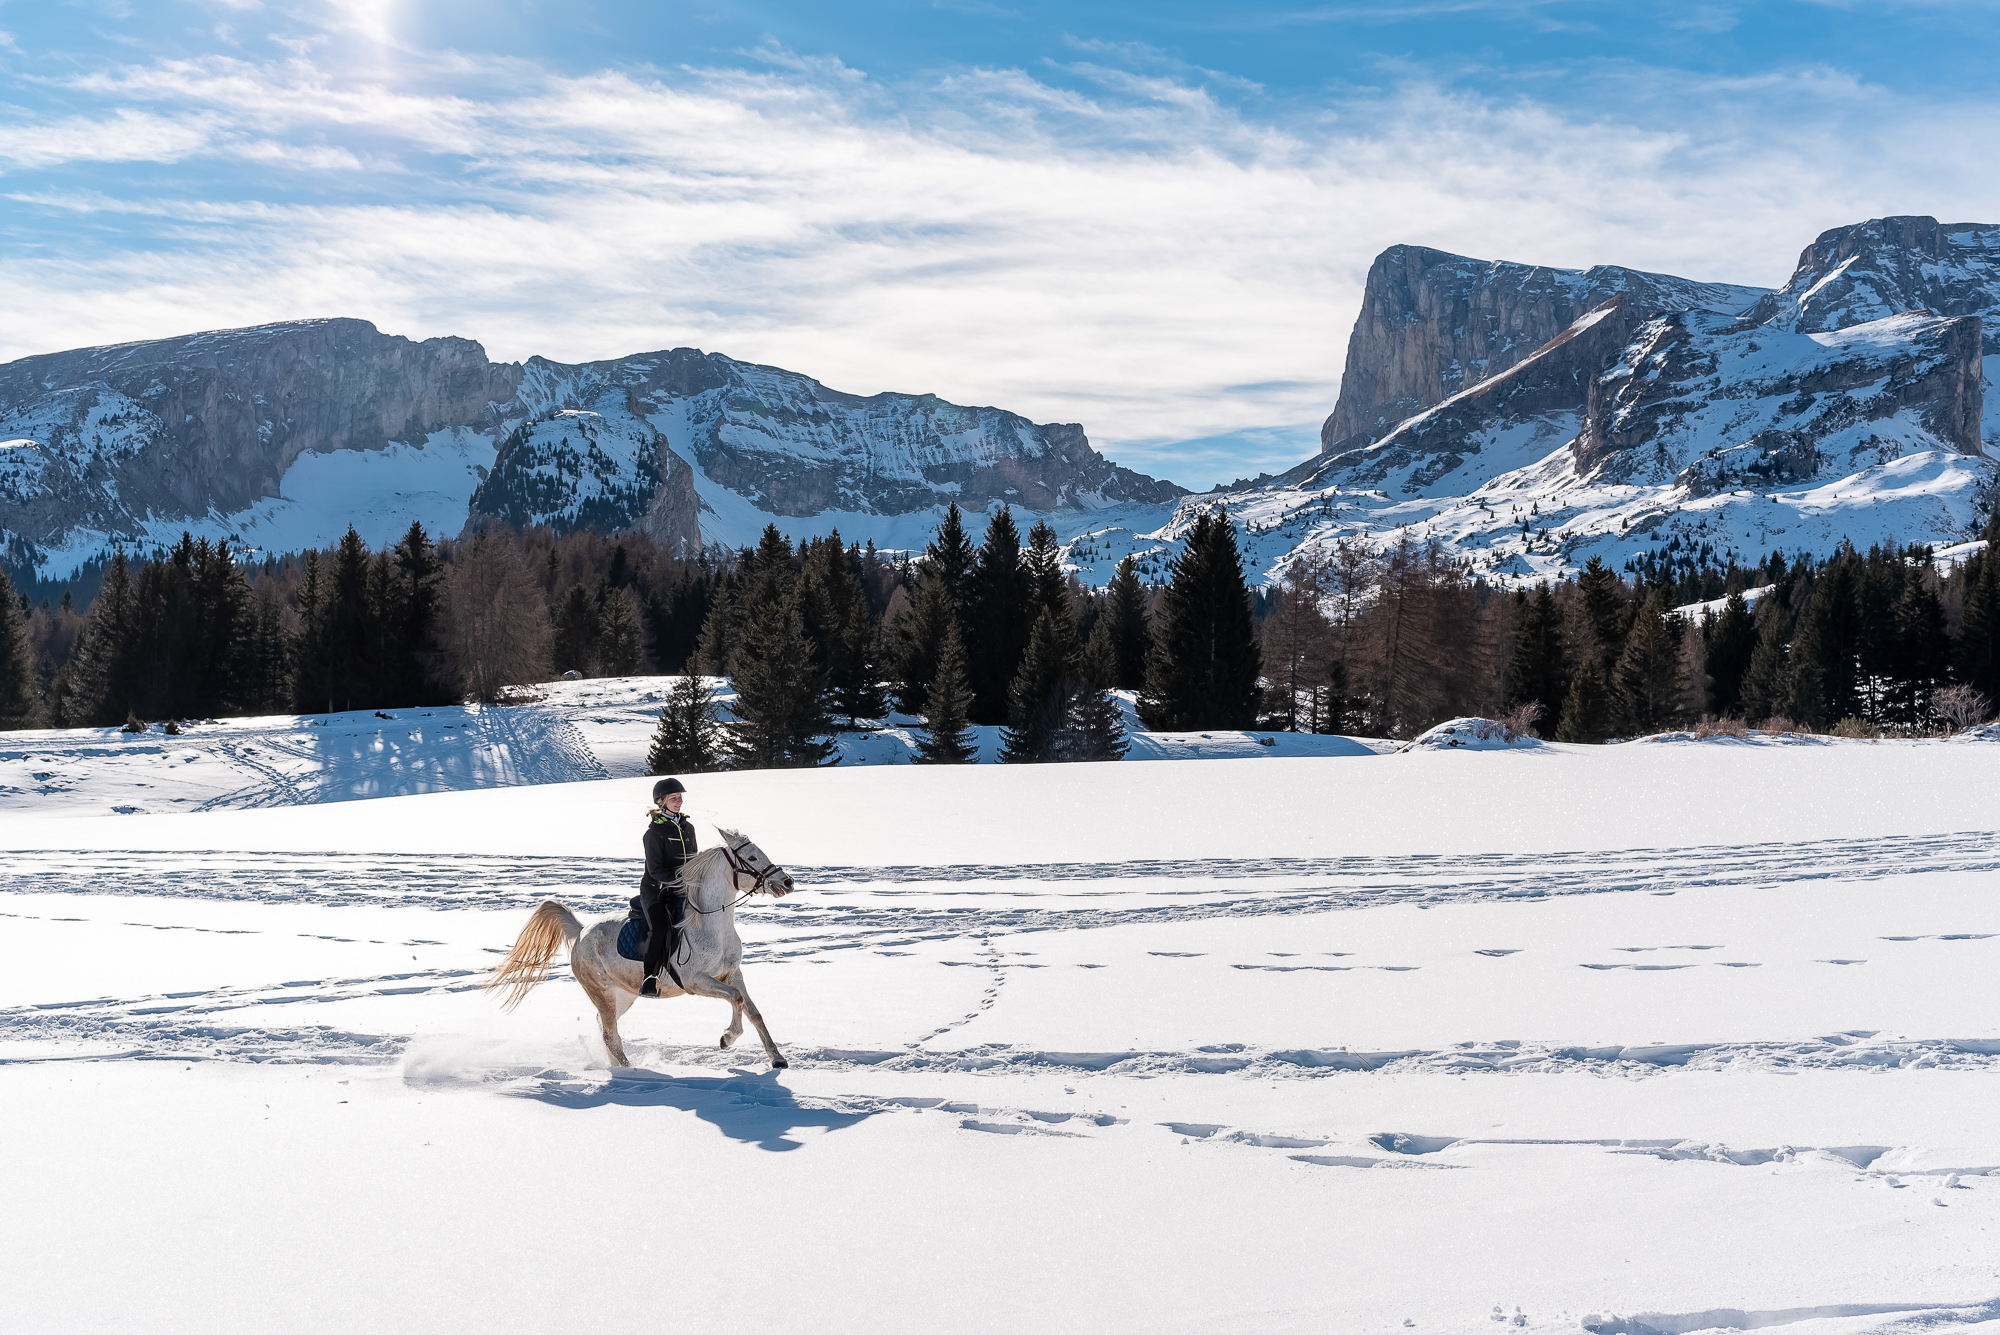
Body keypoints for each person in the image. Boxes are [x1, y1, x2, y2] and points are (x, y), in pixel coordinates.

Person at [638, 777, 698, 996]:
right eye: (674, 798)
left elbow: (694, 860)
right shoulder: (654, 833)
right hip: (656, 891)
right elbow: (655, 869)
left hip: (682, 888)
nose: (679, 801)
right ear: (661, 802)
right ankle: (650, 977)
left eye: (680, 797)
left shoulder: (688, 827)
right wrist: (682, 879)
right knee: (661, 928)